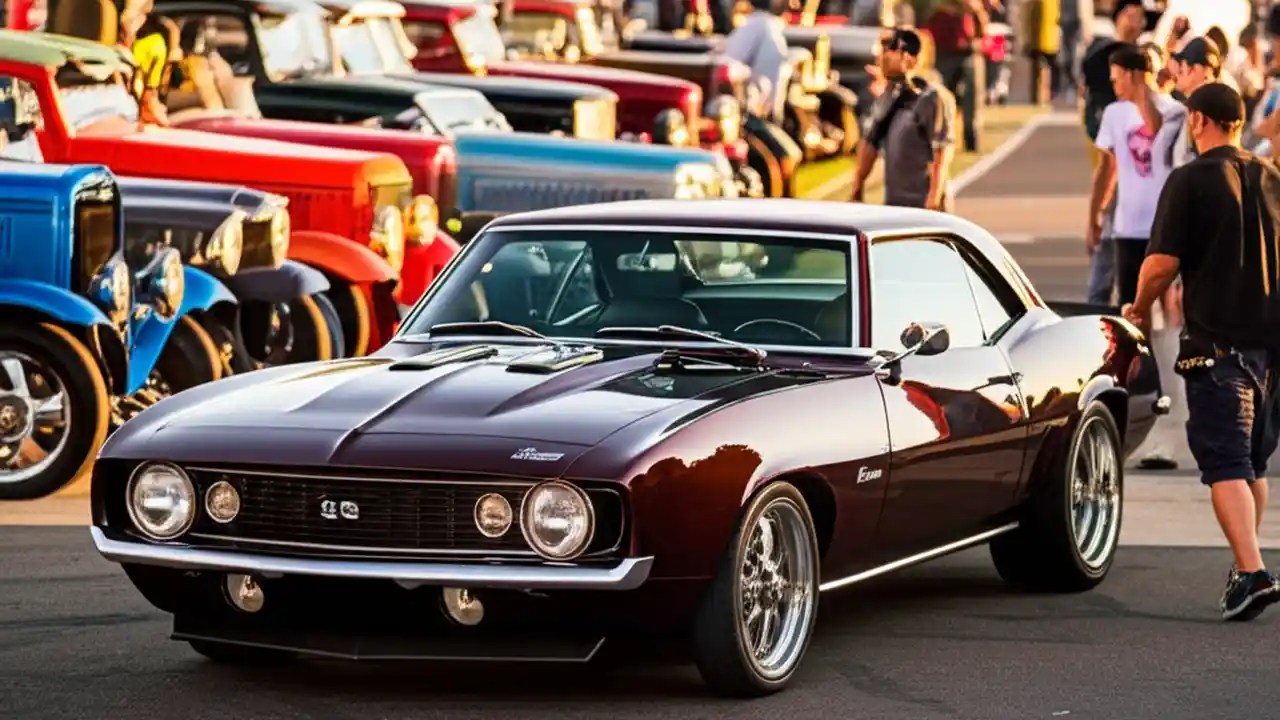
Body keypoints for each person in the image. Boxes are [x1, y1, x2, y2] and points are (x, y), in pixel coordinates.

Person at [1122, 82, 1280, 620]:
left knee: (1225, 461)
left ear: (1197, 120)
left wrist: (1139, 305)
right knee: (1251, 464)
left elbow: (1161, 262)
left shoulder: (1190, 180)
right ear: (1238, 121)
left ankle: (1254, 572)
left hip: (1218, 344)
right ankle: (1245, 565)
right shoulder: (1274, 179)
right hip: (1270, 348)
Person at [1086, 43, 1183, 306]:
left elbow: (1154, 132)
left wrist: (1143, 93)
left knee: (1171, 304)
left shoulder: (1174, 111)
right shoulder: (1114, 113)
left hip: (1165, 225)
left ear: (1132, 74)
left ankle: (1170, 348)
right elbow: (1108, 168)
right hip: (1127, 226)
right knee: (1132, 305)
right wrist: (1095, 213)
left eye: (1117, 78)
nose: (1114, 85)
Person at [1080, 0, 1145, 306]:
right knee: (1107, 282)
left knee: (1139, 294)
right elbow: (1107, 166)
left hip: (1144, 208)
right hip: (1121, 204)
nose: (1137, 22)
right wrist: (1096, 213)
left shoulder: (1164, 109)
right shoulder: (1102, 54)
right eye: (1131, 16)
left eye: (1141, 17)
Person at [849, 27, 957, 212]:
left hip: (925, 207)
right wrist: (858, 185)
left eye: (888, 50)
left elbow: (941, 150)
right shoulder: (891, 95)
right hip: (896, 207)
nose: (881, 57)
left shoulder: (933, 98)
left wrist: (934, 196)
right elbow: (871, 141)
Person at [925, 0, 986, 151]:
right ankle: (941, 141)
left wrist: (976, 10)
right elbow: (929, 15)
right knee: (942, 99)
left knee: (972, 97)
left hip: (968, 51)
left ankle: (971, 139)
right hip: (945, 52)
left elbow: (982, 26)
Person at [720, 0, 789, 123]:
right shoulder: (769, 27)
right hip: (766, 111)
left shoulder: (757, 25)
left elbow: (727, 65)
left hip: (757, 113)